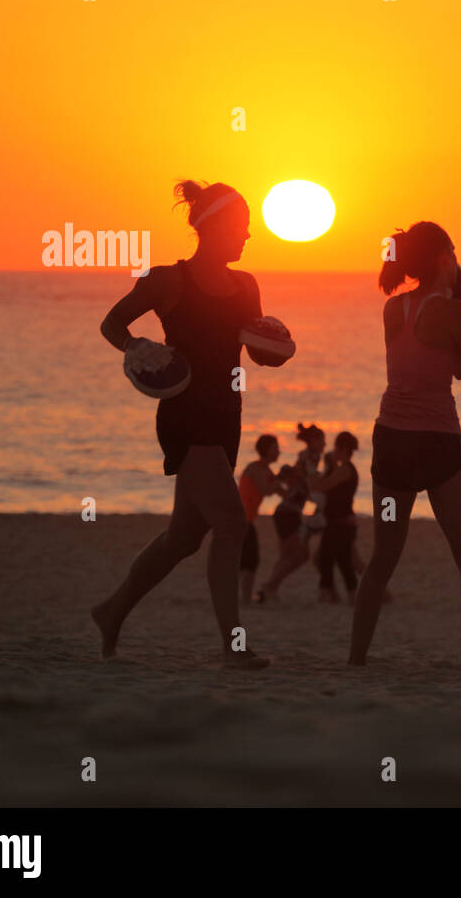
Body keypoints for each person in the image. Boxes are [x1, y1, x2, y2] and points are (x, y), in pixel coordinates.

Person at [92, 179, 271, 668]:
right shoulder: (166, 280)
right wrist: (136, 347)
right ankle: (233, 646)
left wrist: (276, 343)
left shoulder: (247, 285)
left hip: (228, 414)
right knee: (232, 523)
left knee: (184, 539)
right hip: (184, 415)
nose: (249, 236)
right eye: (243, 225)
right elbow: (112, 324)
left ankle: (111, 611)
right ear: (215, 226)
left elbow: (256, 349)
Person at [347, 221, 461, 670]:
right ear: (442, 258)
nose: (458, 262)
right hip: (436, 444)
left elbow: (442, 364)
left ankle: (356, 659)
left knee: (382, 558)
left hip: (391, 440)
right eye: (454, 253)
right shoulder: (452, 313)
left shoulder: (394, 309)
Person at [255, 424, 324, 602]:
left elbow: (304, 483)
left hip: (286, 512)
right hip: (288, 513)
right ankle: (269, 586)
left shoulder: (308, 458)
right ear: (313, 441)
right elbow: (311, 482)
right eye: (321, 440)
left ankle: (269, 589)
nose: (324, 444)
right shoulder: (309, 457)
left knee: (288, 556)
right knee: (300, 555)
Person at [313, 431, 361, 603]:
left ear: (342, 448)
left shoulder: (345, 469)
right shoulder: (343, 469)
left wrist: (309, 473)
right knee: (343, 560)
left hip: (340, 524)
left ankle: (328, 593)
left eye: (336, 446)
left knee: (325, 558)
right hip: (341, 523)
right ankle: (349, 595)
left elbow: (323, 486)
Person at [237, 434, 285, 605]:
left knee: (247, 560)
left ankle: (245, 598)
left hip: (246, 520)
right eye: (275, 447)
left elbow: (280, 491)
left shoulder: (266, 470)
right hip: (240, 520)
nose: (278, 450)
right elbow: (266, 489)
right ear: (266, 450)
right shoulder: (256, 468)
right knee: (250, 560)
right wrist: (280, 478)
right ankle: (245, 599)